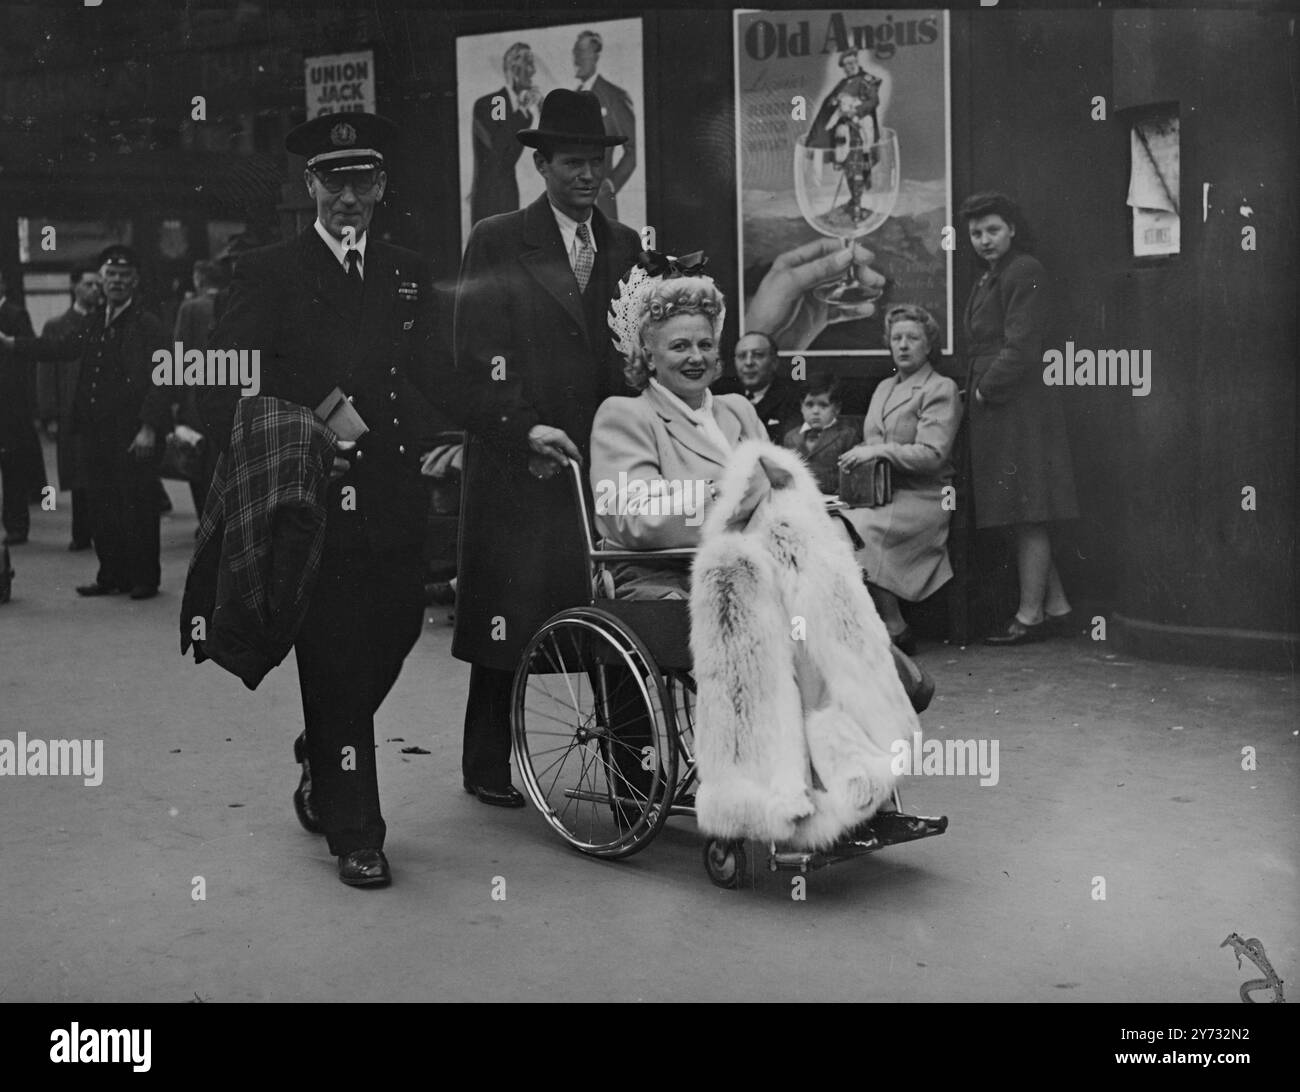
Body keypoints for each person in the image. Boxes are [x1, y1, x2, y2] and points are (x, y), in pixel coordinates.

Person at [199, 112, 450, 889]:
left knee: (399, 627)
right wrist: (303, 428)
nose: (349, 197)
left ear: (381, 186)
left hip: (395, 489)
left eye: (362, 181)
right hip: (315, 497)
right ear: (310, 185)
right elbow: (231, 376)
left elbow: (433, 368)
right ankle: (356, 831)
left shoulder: (407, 269)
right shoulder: (270, 269)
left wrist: (464, 432)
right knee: (337, 657)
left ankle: (320, 750)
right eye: (333, 181)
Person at [452, 88, 640, 807]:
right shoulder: (497, 239)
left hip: (605, 461)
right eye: (572, 163)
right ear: (541, 164)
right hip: (520, 459)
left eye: (597, 162)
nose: (588, 176)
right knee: (511, 614)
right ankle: (485, 764)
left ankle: (630, 767)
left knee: (615, 612)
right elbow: (475, 354)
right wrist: (521, 425)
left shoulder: (623, 246)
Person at [590, 258, 767, 599]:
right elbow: (636, 521)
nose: (696, 357)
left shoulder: (738, 410)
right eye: (680, 346)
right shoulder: (626, 416)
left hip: (752, 565)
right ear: (649, 356)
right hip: (666, 575)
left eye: (705, 345)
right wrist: (731, 494)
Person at [2, 247, 171, 596]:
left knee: (137, 505)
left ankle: (143, 579)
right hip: (96, 432)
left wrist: (149, 428)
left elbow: (163, 377)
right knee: (103, 505)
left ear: (135, 282)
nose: (117, 282)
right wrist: (12, 343)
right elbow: (60, 347)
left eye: (125, 277)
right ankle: (111, 576)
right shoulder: (95, 320)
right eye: (111, 276)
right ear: (103, 281)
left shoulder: (147, 324)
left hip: (132, 431)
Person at [960, 192, 1078, 645]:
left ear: (1012, 229)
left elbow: (1023, 345)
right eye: (975, 233)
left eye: (992, 230)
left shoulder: (1024, 270)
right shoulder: (992, 276)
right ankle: (1056, 605)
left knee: (1028, 509)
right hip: (999, 406)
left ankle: (1030, 616)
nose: (984, 240)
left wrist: (987, 388)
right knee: (1020, 508)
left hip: (1018, 404)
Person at [839, 304, 962, 654]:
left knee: (860, 529)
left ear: (929, 345)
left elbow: (933, 454)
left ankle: (893, 625)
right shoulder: (883, 387)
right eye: (897, 338)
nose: (903, 345)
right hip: (880, 494)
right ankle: (879, 622)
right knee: (834, 527)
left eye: (913, 338)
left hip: (924, 496)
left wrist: (879, 451)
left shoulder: (940, 388)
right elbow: (872, 442)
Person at [36, 266, 102, 550]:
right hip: (70, 407)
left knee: (100, 471)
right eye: (88, 284)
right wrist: (49, 414)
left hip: (100, 408)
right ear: (74, 287)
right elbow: (46, 371)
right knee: (78, 473)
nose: (95, 290)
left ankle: (102, 532)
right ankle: (81, 533)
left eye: (98, 285)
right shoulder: (57, 325)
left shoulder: (105, 321)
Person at [171, 259, 226, 520]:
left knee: (197, 457)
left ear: (199, 279)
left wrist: (175, 396)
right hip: (228, 389)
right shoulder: (232, 303)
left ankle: (205, 517)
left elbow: (179, 352)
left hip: (196, 393)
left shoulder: (190, 308)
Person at [469, 42, 540, 225]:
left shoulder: (521, 112)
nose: (533, 72)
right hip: (490, 206)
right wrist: (523, 113)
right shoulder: (494, 102)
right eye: (529, 65)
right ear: (514, 70)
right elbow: (500, 153)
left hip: (508, 204)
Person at [572, 29, 636, 222]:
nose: (576, 60)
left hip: (600, 206)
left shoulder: (614, 96)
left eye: (581, 53)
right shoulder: (573, 98)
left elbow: (633, 150)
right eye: (575, 53)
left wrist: (610, 183)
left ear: (595, 56)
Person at [0, 268, 40, 546]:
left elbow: (27, 359)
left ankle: (16, 524)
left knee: (12, 465)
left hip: (9, 404)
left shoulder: (15, 315)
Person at [714, 330, 803, 443]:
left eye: (758, 355)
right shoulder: (720, 391)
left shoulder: (793, 396)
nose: (749, 362)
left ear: (774, 362)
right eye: (742, 356)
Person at [781, 372, 858, 494]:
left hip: (834, 501)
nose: (815, 411)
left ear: (837, 408)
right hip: (799, 501)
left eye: (823, 405)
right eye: (809, 405)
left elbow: (852, 477)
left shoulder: (846, 435)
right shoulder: (791, 438)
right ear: (801, 407)